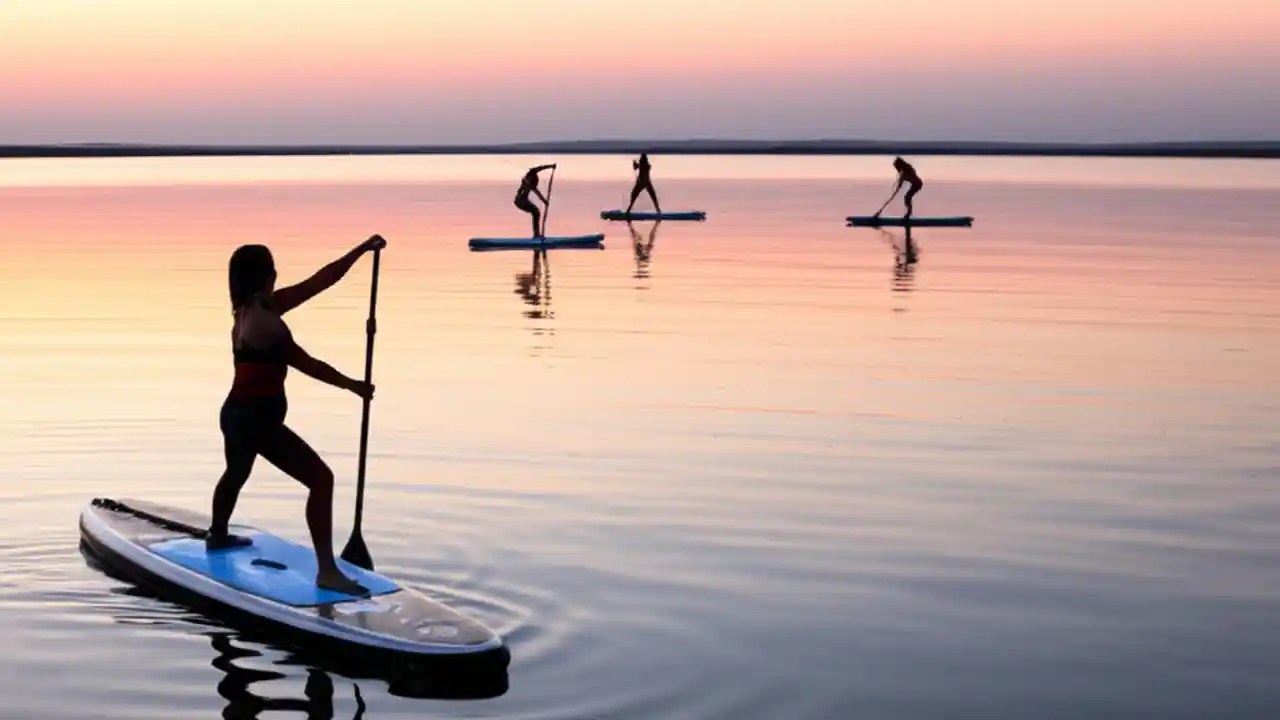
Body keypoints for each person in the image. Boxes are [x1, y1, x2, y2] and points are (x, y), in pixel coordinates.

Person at [209, 235, 386, 595]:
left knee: (236, 472)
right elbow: (309, 365)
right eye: (273, 270)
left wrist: (361, 249)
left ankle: (218, 535)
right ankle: (327, 572)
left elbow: (319, 282)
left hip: (237, 414)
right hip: (256, 421)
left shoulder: (254, 308)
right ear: (264, 277)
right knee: (321, 480)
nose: (277, 275)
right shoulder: (263, 322)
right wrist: (354, 386)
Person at [515, 164, 556, 237]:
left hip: (522, 200)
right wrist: (544, 201)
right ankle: (536, 234)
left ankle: (536, 234)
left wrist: (551, 166)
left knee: (536, 213)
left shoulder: (531, 176)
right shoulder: (528, 179)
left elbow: (541, 168)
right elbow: (537, 192)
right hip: (520, 201)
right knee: (536, 212)